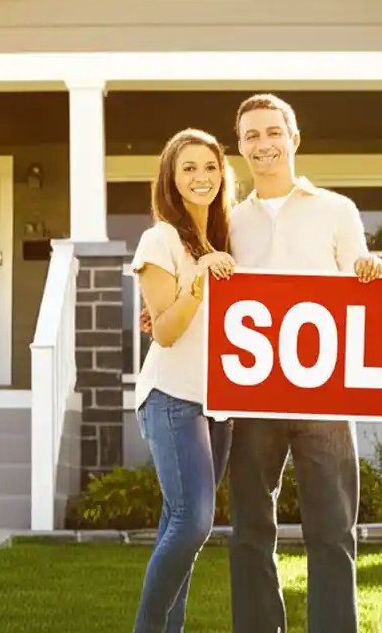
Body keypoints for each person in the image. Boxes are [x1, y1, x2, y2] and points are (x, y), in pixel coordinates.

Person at [226, 93, 382, 633]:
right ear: (241, 146)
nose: (262, 144)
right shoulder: (228, 221)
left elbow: (359, 279)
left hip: (324, 391)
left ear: (294, 138)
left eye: (273, 132)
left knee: (333, 527)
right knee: (248, 528)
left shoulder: (337, 210)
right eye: (251, 135)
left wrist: (368, 267)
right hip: (250, 392)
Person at [130, 127, 238, 633]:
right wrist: (199, 280)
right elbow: (166, 332)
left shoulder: (228, 238)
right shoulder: (161, 238)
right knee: (193, 520)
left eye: (211, 166)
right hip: (172, 396)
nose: (202, 177)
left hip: (219, 400)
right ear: (171, 180)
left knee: (180, 527)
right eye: (189, 168)